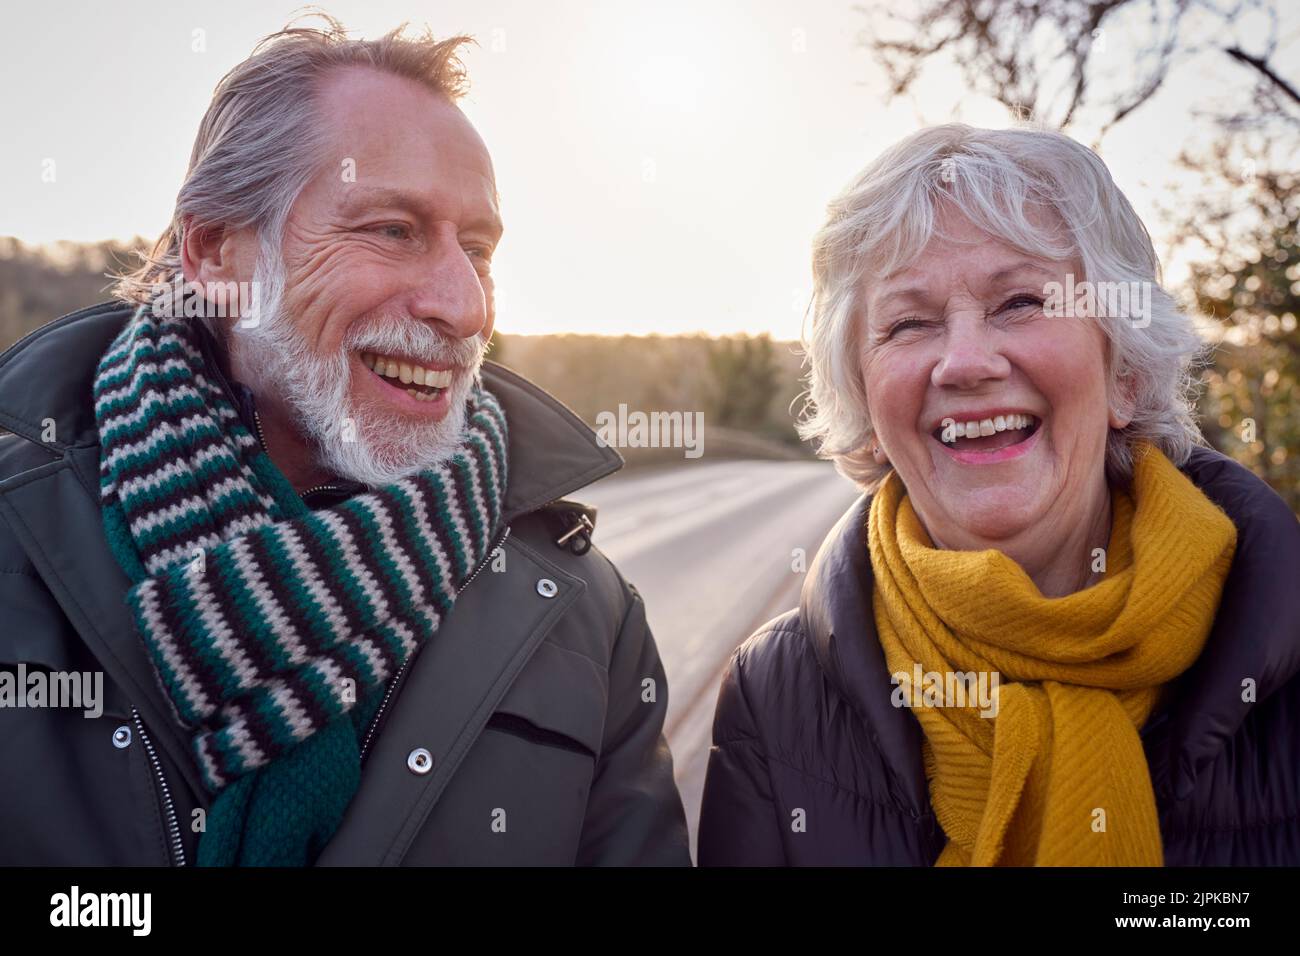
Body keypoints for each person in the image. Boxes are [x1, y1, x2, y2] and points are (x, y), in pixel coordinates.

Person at [0, 16, 689, 867]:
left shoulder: (589, 615)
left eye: (477, 250)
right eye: (393, 230)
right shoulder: (17, 541)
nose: (465, 305)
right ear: (216, 252)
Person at [698, 123, 1300, 866]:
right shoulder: (773, 696)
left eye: (1019, 302)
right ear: (865, 402)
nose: (965, 362)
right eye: (909, 322)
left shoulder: (1282, 641)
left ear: (1125, 373)